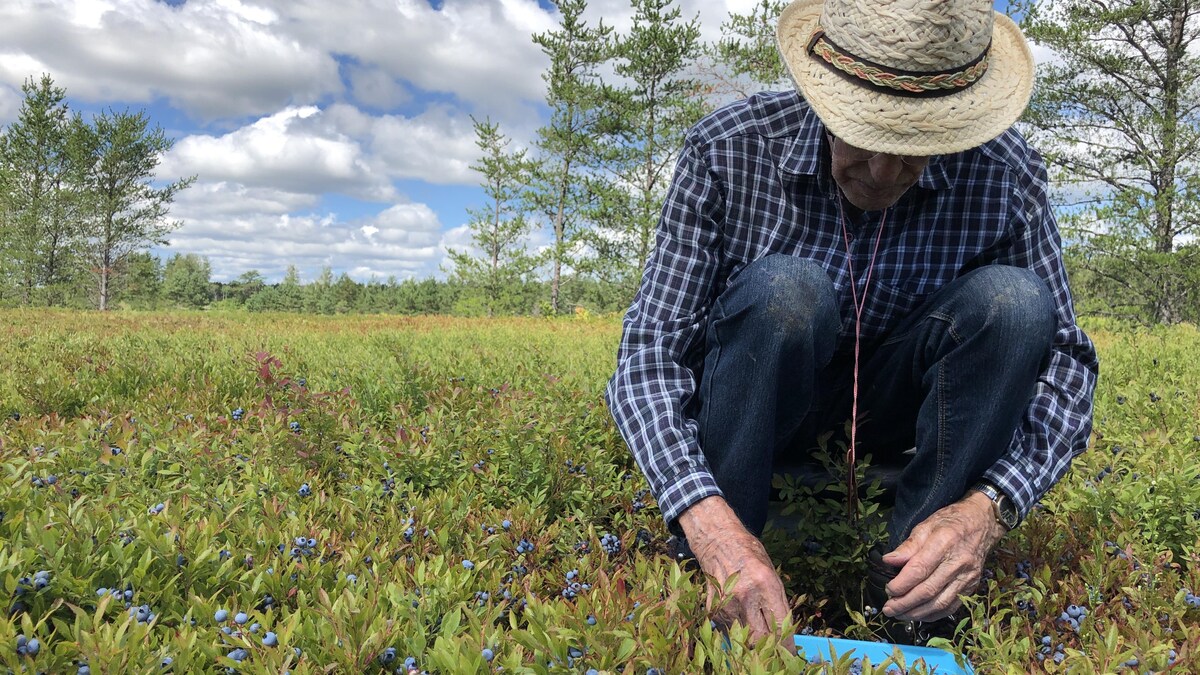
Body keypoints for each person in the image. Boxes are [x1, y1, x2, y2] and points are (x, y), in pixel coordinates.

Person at [604, 0, 1099, 653]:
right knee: (787, 291)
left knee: (1014, 303)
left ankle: (917, 600)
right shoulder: (729, 151)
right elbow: (648, 355)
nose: (886, 174)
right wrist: (709, 524)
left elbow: (1067, 362)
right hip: (762, 411)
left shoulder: (1005, 174)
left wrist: (991, 505)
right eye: (867, 140)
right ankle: (722, 577)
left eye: (917, 151)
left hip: (897, 414)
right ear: (824, 103)